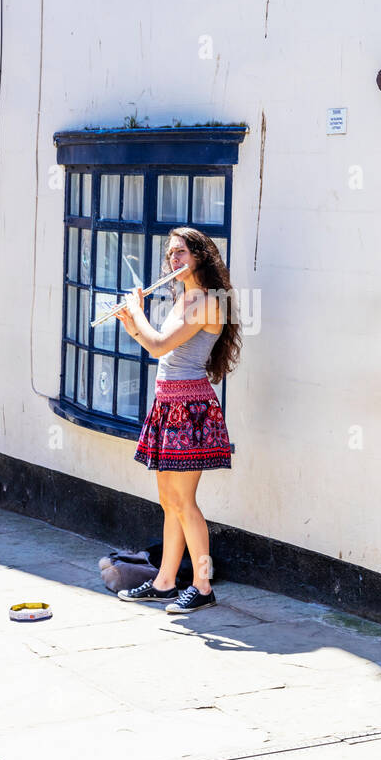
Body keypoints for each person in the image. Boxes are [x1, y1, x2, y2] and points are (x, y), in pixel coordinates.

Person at [115, 226, 240, 613]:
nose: (174, 259)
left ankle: (202, 586)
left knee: (185, 502)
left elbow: (159, 345)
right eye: (171, 253)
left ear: (200, 256)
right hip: (168, 404)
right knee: (168, 501)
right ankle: (165, 582)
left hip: (191, 409)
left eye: (181, 252)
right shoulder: (183, 297)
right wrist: (130, 321)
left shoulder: (206, 301)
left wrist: (137, 313)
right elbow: (157, 349)